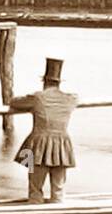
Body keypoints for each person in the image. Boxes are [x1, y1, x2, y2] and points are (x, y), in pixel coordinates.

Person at [9, 58, 76, 204]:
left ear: (45, 81)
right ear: (59, 82)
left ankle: (34, 209)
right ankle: (57, 212)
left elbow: (14, 102)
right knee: (58, 187)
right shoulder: (70, 99)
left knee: (35, 186)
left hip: (37, 145)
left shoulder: (38, 98)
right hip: (62, 144)